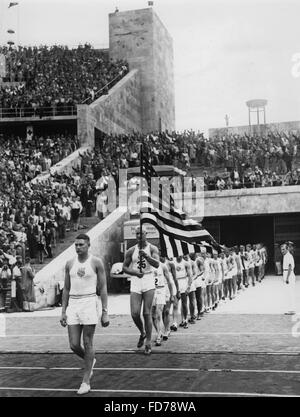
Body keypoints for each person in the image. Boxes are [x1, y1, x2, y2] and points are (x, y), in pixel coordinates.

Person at [60, 234, 109, 395]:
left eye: (81, 245)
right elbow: (66, 289)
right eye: (76, 245)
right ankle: (91, 360)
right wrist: (63, 311)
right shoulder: (69, 263)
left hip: (89, 302)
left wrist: (105, 312)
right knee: (74, 345)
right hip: (73, 304)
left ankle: (86, 381)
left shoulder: (96, 262)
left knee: (87, 343)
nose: (78, 247)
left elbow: (102, 288)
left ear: (88, 245)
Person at [122, 226, 160, 355]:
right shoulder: (131, 250)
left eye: (141, 233)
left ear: (146, 234)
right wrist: (134, 272)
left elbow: (157, 264)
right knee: (134, 313)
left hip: (148, 278)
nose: (139, 236)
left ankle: (148, 341)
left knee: (147, 313)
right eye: (137, 234)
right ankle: (142, 332)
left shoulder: (152, 248)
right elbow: (124, 267)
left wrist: (147, 257)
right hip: (136, 280)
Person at [281, 243, 296, 315]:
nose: (282, 251)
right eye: (281, 249)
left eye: (283, 249)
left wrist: (287, 278)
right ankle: (290, 308)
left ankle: (291, 309)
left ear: (287, 249)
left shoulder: (289, 256)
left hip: (289, 274)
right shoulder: (285, 256)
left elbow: (290, 267)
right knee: (287, 292)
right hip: (286, 273)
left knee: (290, 292)